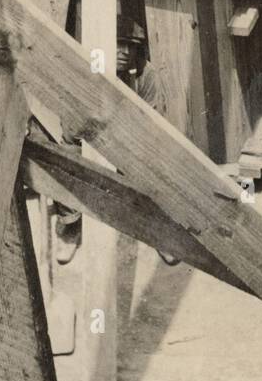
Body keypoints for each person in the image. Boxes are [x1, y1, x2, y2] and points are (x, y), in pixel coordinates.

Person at [54, 15, 173, 263]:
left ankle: (157, 232)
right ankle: (70, 225)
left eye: (131, 45)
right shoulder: (88, 70)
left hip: (129, 143)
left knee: (155, 163)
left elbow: (151, 126)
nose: (124, 52)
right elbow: (71, 127)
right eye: (118, 44)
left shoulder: (145, 74)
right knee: (66, 156)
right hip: (89, 140)